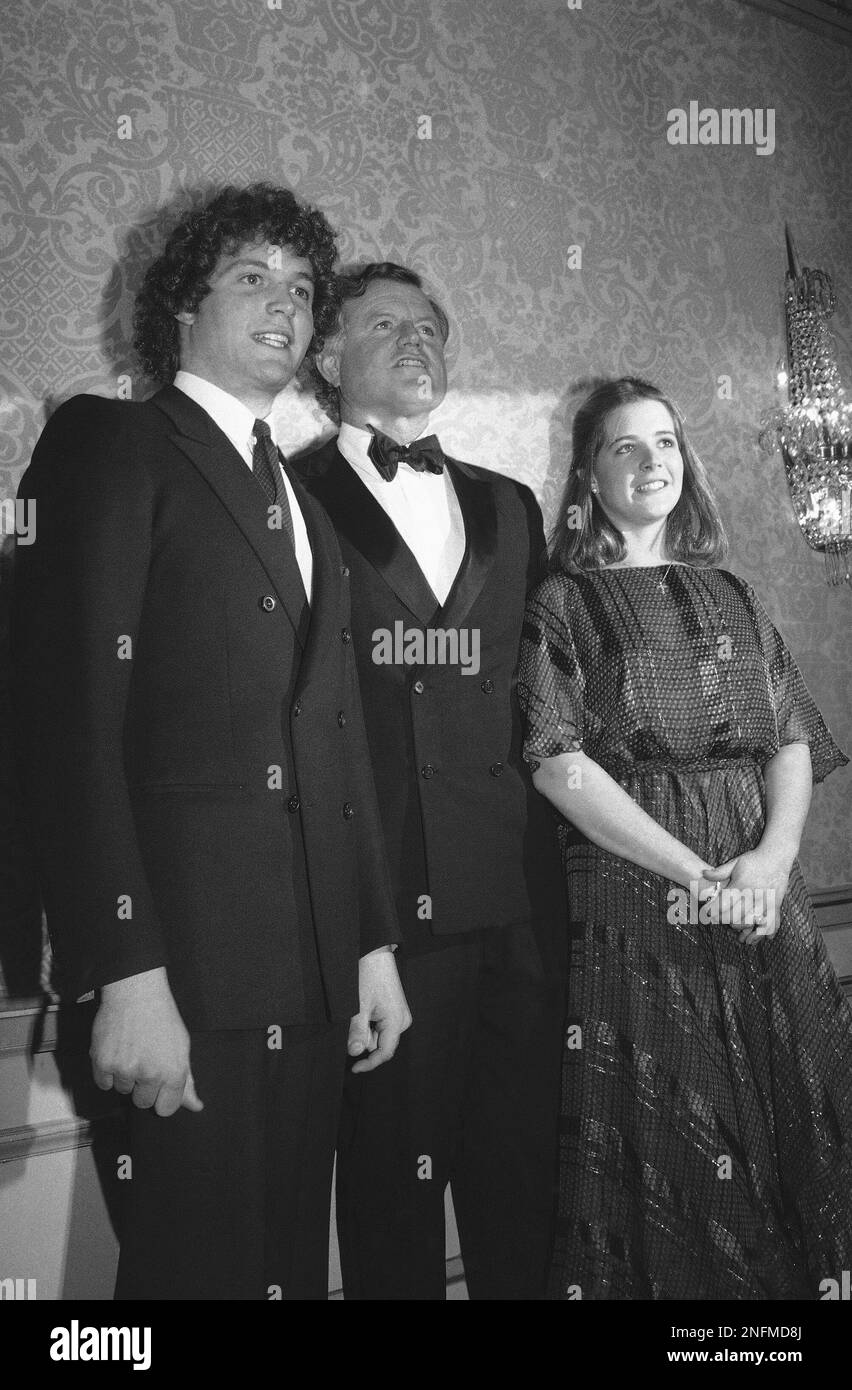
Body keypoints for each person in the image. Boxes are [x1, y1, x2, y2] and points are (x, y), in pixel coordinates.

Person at [11, 185, 410, 1301]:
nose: (284, 306)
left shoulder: (307, 501)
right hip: (181, 979)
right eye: (251, 279)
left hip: (313, 983)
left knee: (283, 1274)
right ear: (183, 305)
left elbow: (336, 745)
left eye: (300, 288)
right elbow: (68, 731)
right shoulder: (111, 444)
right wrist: (126, 971)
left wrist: (371, 944)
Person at [518, 375, 852, 1300]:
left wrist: (772, 864)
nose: (650, 460)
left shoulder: (735, 592)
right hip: (641, 893)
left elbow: (792, 735)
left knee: (789, 1121)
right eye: (625, 446)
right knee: (678, 1126)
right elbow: (559, 765)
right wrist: (703, 875)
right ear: (587, 477)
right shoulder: (564, 605)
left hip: (759, 889)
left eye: (665, 442)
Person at [295, 261, 566, 1300]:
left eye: (430, 325)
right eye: (384, 323)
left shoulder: (511, 505)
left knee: (523, 1196)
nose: (417, 339)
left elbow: (550, 703)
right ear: (327, 356)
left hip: (519, 904)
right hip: (389, 920)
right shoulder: (290, 497)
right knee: (391, 1214)